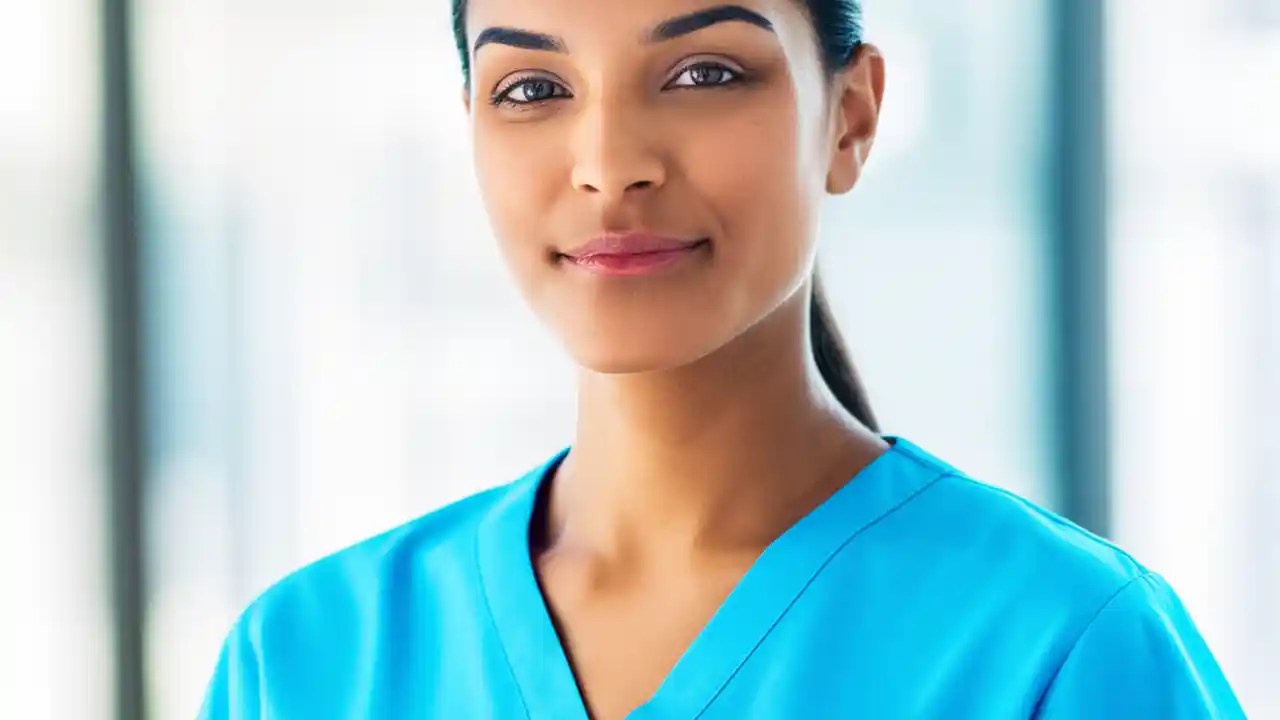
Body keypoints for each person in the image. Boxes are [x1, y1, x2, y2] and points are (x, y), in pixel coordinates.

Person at [198, 1, 1246, 718]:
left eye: (703, 73)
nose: (610, 166)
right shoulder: (306, 660)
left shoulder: (1061, 643)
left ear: (849, 116)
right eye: (529, 89)